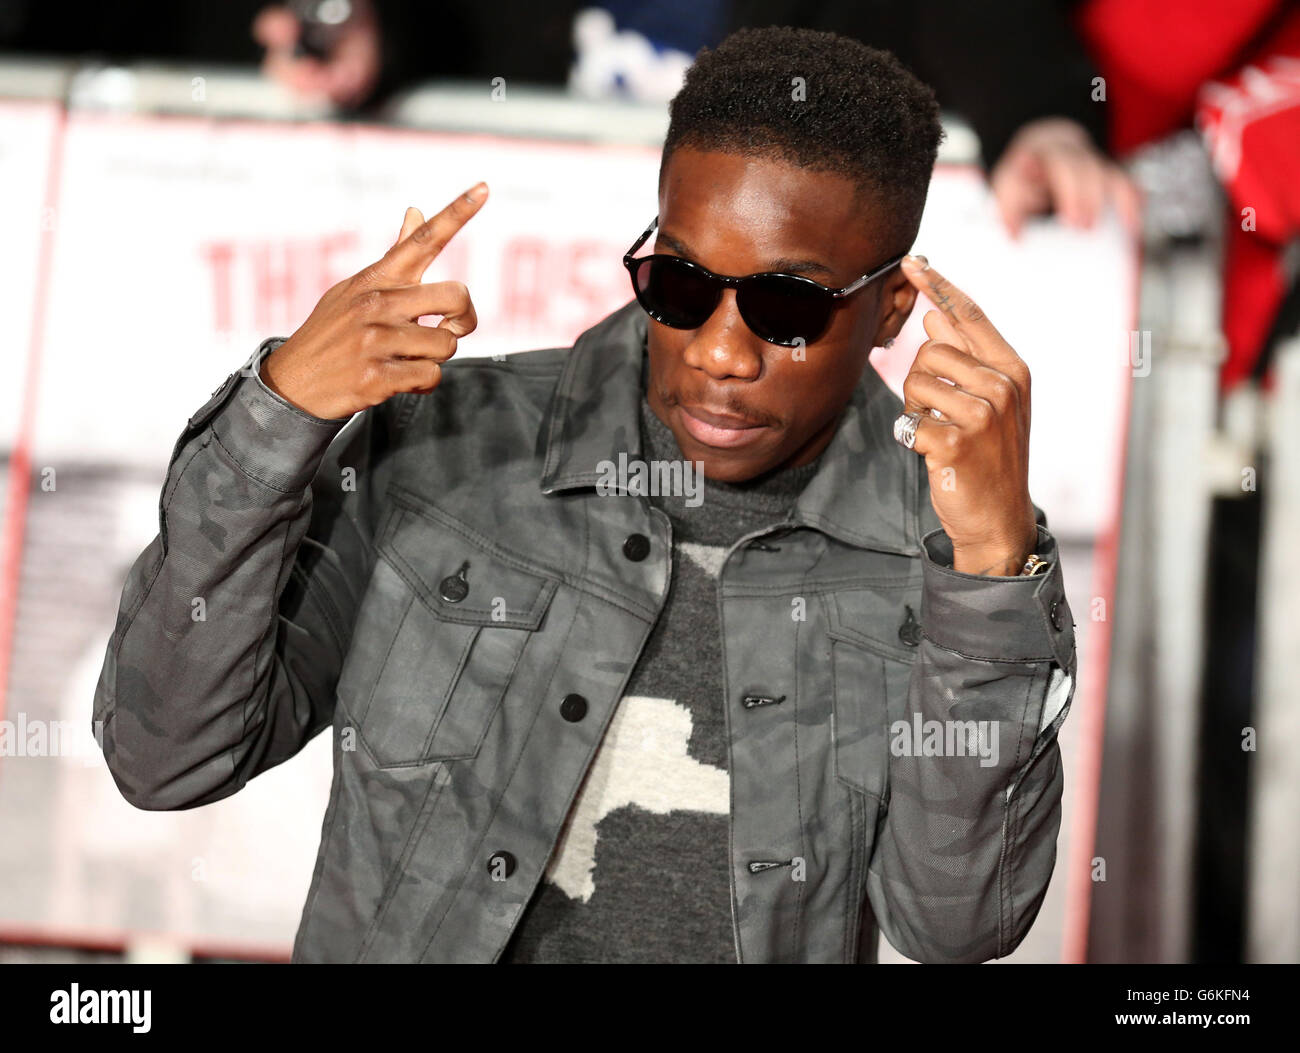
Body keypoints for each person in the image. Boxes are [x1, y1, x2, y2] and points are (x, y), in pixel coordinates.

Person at [93, 26, 1077, 964]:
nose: (722, 354)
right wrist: (274, 421)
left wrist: (990, 577)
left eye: (788, 309)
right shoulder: (448, 442)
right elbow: (166, 756)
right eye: (680, 287)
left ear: (889, 310)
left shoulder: (949, 544)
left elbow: (956, 927)